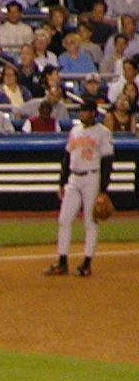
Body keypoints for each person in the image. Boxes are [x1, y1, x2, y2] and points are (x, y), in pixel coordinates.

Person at [46, 99, 114, 277]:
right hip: (73, 179)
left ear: (93, 112)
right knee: (64, 219)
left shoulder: (103, 133)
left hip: (92, 177)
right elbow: (67, 159)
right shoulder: (75, 130)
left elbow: (107, 161)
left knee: (89, 222)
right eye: (80, 111)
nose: (81, 114)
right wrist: (62, 182)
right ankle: (62, 261)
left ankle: (86, 263)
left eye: (84, 111)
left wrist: (103, 190)